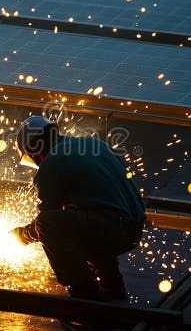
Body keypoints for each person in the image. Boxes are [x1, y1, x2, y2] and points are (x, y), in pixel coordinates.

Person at [10, 116, 144, 300]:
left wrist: (23, 235)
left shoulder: (50, 163)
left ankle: (84, 292)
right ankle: (112, 285)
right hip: (134, 228)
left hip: (114, 231)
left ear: (35, 151)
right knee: (87, 219)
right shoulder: (94, 144)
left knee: (48, 224)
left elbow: (47, 221)